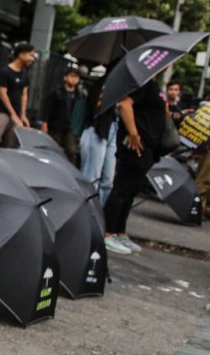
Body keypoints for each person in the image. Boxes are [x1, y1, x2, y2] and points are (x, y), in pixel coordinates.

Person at [103, 75, 168, 254]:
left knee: (131, 192)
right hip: (136, 146)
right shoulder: (142, 84)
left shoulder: (153, 85)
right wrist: (133, 133)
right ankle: (107, 232)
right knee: (122, 189)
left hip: (148, 148)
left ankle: (119, 232)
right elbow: (124, 105)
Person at [0, 42, 36, 152]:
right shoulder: (5, 72)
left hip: (17, 114)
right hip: (1, 112)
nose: (32, 59)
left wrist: (22, 115)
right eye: (30, 55)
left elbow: (24, 94)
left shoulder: (25, 74)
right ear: (21, 54)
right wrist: (13, 114)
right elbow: (2, 94)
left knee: (13, 144)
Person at [79, 64, 117, 204]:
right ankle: (87, 208)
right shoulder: (102, 85)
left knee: (108, 180)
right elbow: (95, 107)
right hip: (97, 129)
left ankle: (100, 209)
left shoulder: (123, 88)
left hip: (113, 128)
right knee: (91, 176)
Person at [41, 64, 85, 165]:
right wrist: (45, 123)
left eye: (76, 77)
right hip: (55, 125)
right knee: (53, 149)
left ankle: (69, 170)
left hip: (70, 127)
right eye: (72, 76)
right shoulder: (56, 92)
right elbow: (48, 108)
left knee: (72, 151)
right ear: (65, 77)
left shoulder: (80, 95)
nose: (74, 79)